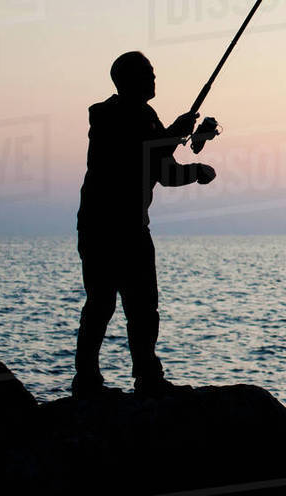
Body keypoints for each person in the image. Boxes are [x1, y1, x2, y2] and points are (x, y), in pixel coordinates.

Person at [73, 51, 216, 397]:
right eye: (149, 74)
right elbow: (135, 152)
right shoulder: (107, 116)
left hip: (133, 226)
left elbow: (162, 171)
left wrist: (194, 171)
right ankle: (87, 380)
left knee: (143, 307)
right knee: (102, 304)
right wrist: (174, 133)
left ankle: (147, 378)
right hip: (103, 228)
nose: (155, 79)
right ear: (131, 79)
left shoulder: (146, 117)